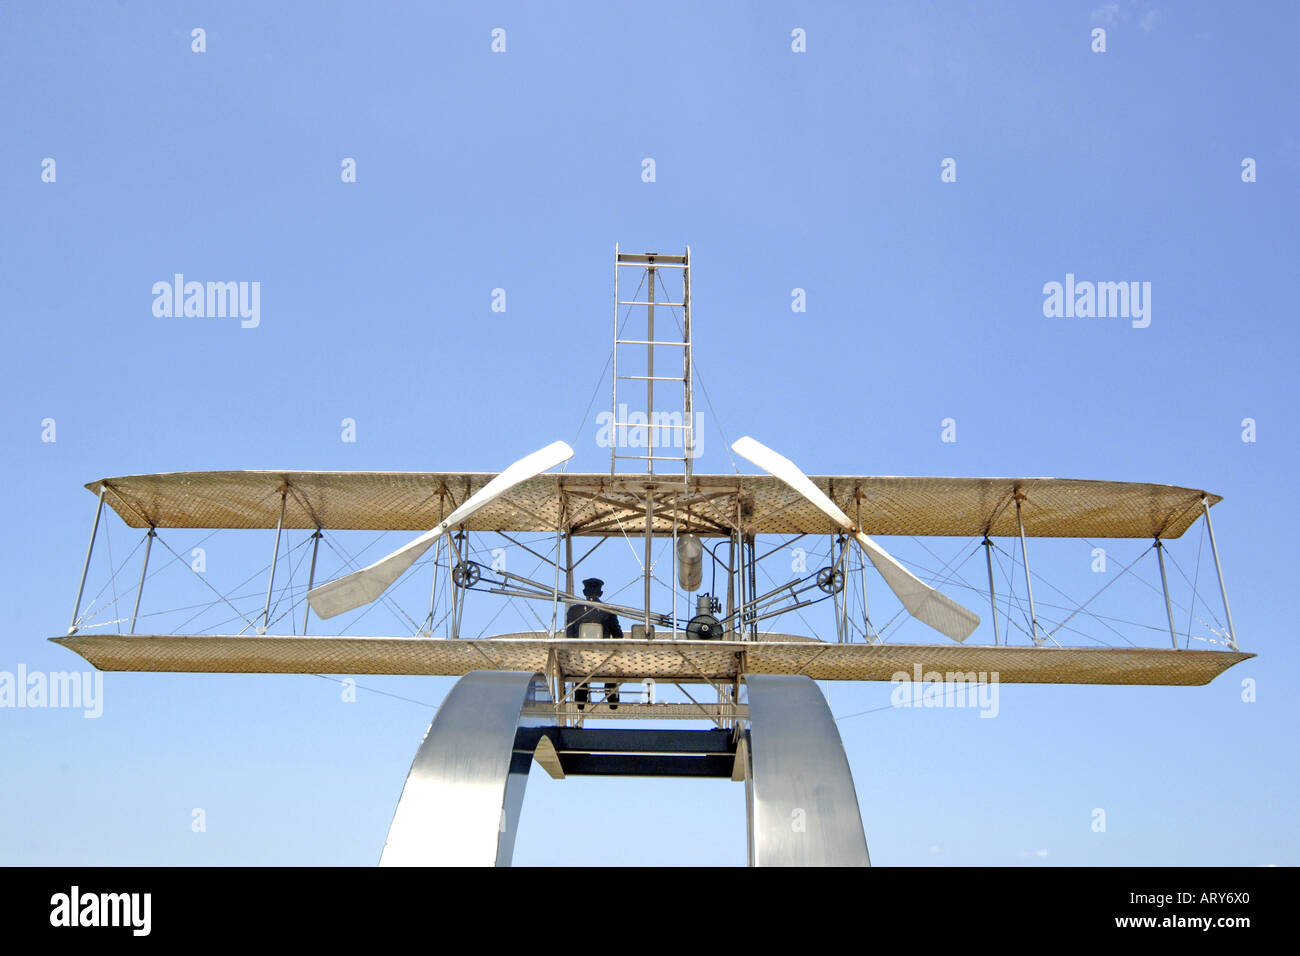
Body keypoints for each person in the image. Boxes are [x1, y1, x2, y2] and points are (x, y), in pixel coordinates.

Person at [565, 577, 623, 710]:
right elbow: (618, 635)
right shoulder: (608, 611)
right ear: (601, 593)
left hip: (581, 655)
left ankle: (581, 696)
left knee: (581, 671)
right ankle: (611, 695)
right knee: (610, 667)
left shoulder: (574, 610)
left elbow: (570, 634)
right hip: (603, 654)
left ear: (584, 591)